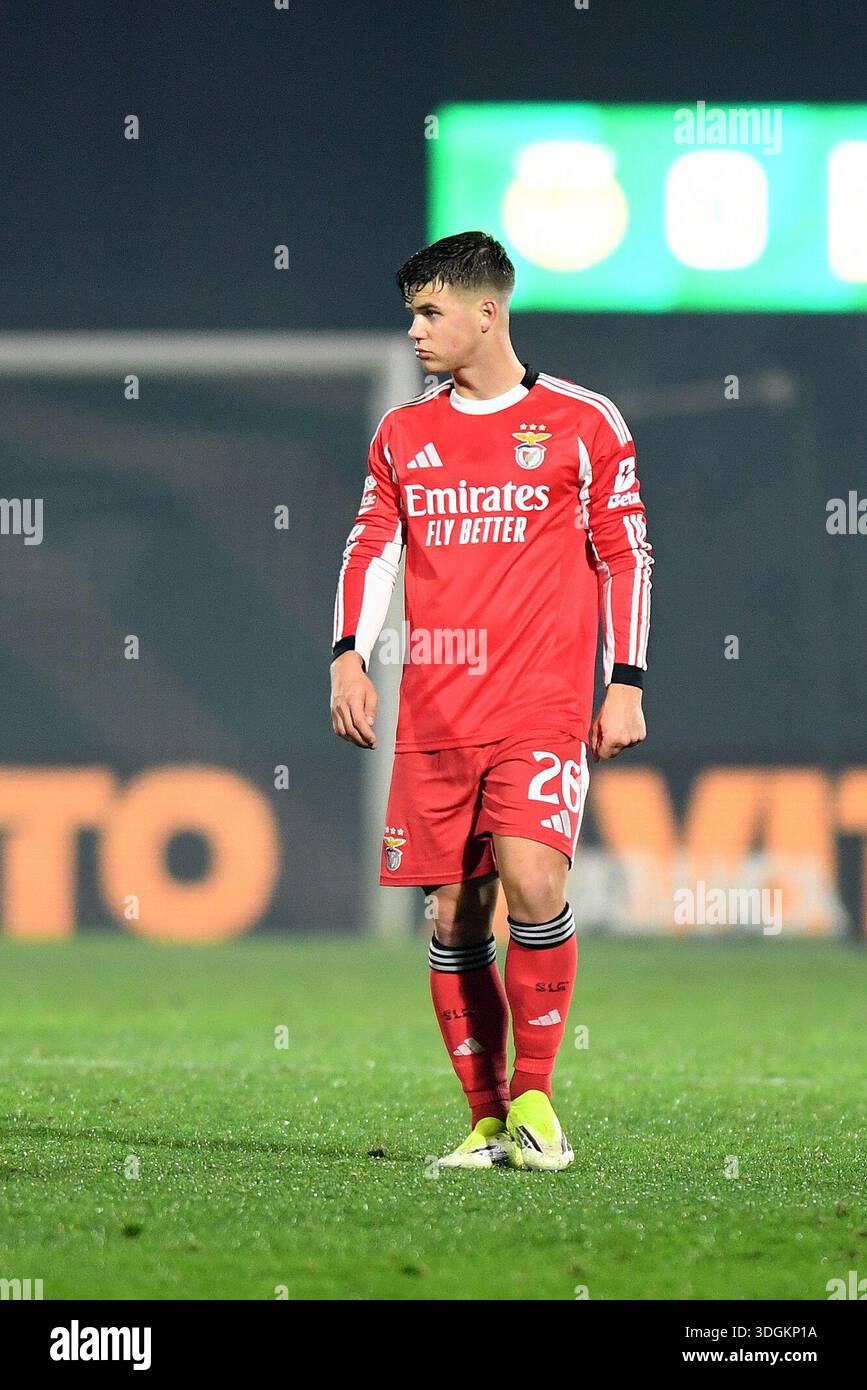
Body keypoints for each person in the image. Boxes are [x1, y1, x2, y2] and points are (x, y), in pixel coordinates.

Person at [330, 231, 653, 1170]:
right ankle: (483, 1120)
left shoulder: (583, 422)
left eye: (430, 313)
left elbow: (623, 555)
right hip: (435, 712)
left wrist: (623, 680)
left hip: (541, 705)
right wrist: (348, 655)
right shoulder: (403, 434)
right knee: (454, 917)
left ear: (487, 310)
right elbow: (370, 550)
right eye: (412, 315)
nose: (417, 331)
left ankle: (537, 1100)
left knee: (535, 881)